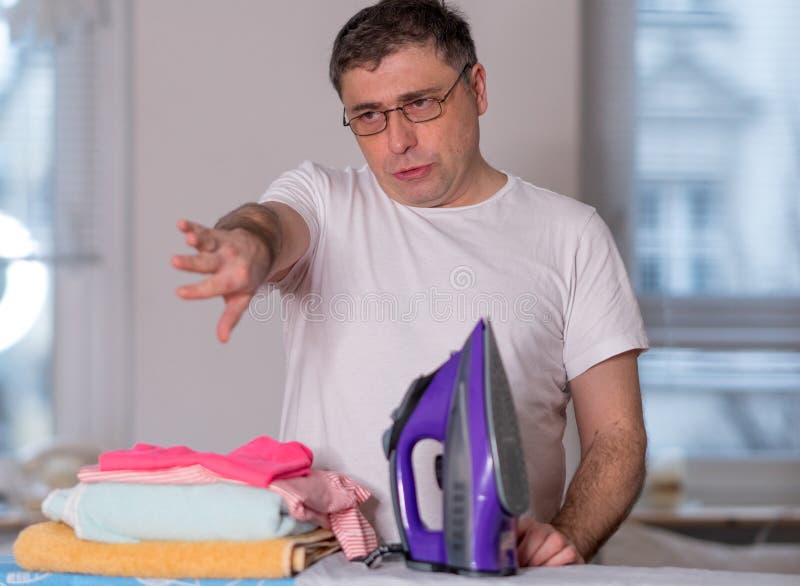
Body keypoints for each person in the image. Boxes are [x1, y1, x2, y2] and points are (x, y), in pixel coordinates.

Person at [172, 0, 649, 567]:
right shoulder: (325, 203)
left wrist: (567, 538)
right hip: (330, 570)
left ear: (477, 88)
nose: (396, 140)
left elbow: (616, 437)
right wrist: (248, 247)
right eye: (369, 115)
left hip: (500, 571)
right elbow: (269, 224)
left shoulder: (572, 236)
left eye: (420, 104)